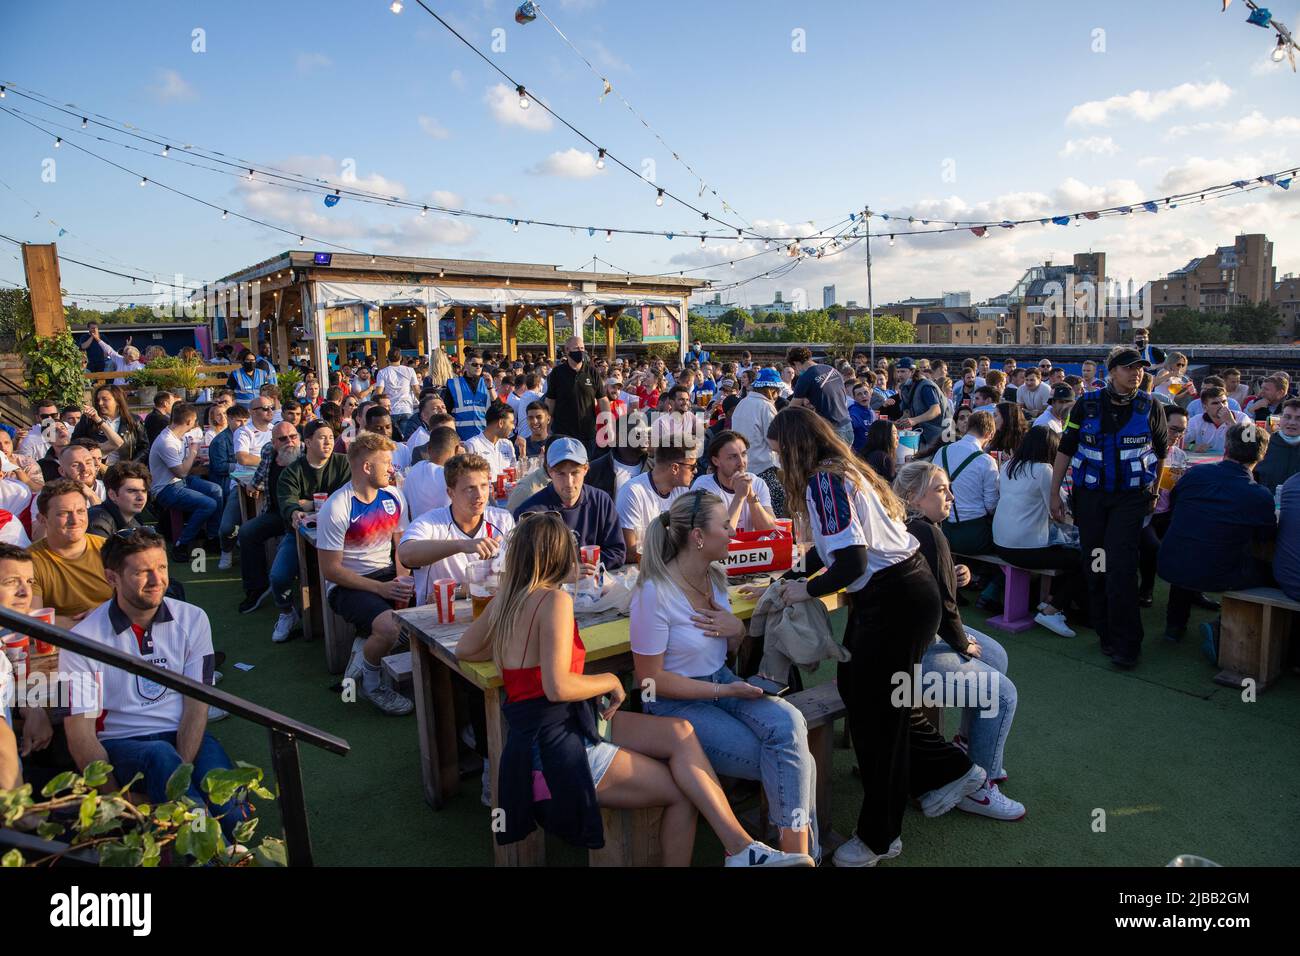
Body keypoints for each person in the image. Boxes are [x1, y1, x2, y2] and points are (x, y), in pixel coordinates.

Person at [454, 511, 805, 866]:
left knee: (680, 732)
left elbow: (465, 649)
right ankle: (740, 848)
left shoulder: (507, 600)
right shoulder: (554, 601)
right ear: (558, 555)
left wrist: (512, 648)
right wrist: (610, 681)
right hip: (557, 744)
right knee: (682, 791)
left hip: (554, 726)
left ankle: (741, 849)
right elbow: (557, 686)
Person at [766, 407, 984, 867]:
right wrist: (790, 576)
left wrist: (802, 590)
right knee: (865, 697)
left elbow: (852, 562)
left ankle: (880, 837)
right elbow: (836, 551)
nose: (778, 462)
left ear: (795, 448)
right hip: (901, 593)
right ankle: (950, 772)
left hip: (895, 600)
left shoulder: (825, 481)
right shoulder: (842, 470)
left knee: (878, 717)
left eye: (779, 452)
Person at [631, 490, 820, 863]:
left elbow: (724, 652)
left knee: (791, 723)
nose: (733, 531)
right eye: (725, 525)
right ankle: (798, 855)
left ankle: (793, 857)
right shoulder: (654, 593)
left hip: (721, 683)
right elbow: (648, 682)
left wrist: (737, 630)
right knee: (796, 761)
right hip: (674, 705)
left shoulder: (714, 578)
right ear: (698, 536)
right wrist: (723, 689)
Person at [62, 527, 248, 842]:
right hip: (122, 744)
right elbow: (80, 734)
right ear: (112, 578)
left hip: (183, 735)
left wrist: (180, 778)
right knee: (162, 758)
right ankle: (217, 854)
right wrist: (115, 800)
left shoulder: (193, 618)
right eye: (142, 572)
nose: (157, 579)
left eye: (161, 567)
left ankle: (220, 844)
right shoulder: (81, 640)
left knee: (231, 811)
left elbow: (197, 704)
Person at [891, 462, 1024, 820]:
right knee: (1002, 693)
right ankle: (979, 787)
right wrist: (962, 643)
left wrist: (953, 573)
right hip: (907, 653)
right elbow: (944, 605)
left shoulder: (912, 527)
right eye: (940, 489)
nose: (950, 495)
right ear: (912, 497)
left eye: (948, 488)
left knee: (996, 656)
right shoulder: (924, 530)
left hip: (914, 636)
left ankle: (968, 742)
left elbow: (927, 586)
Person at [1052, 346, 1168, 669]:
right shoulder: (1085, 405)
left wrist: (1154, 491)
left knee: (1122, 567)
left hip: (1130, 499)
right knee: (1096, 565)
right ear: (1112, 371)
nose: (1137, 373)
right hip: (1091, 499)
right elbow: (1065, 448)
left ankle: (1127, 644)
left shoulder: (1151, 406)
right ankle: (1105, 633)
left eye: (1140, 368)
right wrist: (1053, 493)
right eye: (1129, 367)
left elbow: (1161, 452)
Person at [317, 432, 415, 715]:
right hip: (347, 586)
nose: (392, 469)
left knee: (431, 609)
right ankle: (371, 685)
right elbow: (330, 570)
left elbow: (401, 546)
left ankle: (364, 650)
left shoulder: (394, 495)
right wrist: (382, 590)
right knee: (389, 627)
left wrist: (403, 579)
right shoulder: (337, 506)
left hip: (387, 576)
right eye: (386, 463)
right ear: (367, 467)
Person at [1158, 424, 1277, 644]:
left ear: (1227, 448)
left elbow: (1175, 504)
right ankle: (1226, 629)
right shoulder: (1259, 495)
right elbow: (1265, 537)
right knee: (1275, 573)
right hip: (1218, 573)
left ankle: (1174, 625)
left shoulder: (1195, 474)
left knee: (1192, 547)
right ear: (1262, 455)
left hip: (1172, 562)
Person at [991, 426, 1083, 636]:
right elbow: (1060, 510)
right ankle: (1052, 609)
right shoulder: (1044, 470)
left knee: (1070, 554)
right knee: (1084, 560)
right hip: (1024, 548)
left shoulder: (1008, 466)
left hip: (1001, 543)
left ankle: (1050, 600)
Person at [397, 452, 515, 605]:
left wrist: (460, 591)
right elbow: (405, 554)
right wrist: (462, 545)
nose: (479, 495)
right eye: (470, 488)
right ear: (450, 493)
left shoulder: (502, 519)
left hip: (491, 610)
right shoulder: (431, 522)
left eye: (484, 486)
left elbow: (514, 574)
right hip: (440, 614)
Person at [513, 437, 625, 571]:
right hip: (551, 583)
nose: (569, 482)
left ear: (586, 469)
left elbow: (617, 552)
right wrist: (564, 572)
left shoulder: (601, 501)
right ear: (550, 471)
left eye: (575, 472)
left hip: (594, 579)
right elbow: (523, 563)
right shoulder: (531, 512)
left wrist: (580, 566)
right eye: (561, 474)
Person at [29, 480, 112, 627]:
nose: (75, 520)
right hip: (65, 638)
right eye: (64, 513)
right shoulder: (28, 562)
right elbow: (33, 620)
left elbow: (135, 600)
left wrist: (103, 612)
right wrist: (90, 621)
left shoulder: (108, 549)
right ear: (42, 519)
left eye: (81, 511)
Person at [149, 403, 223, 562]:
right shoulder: (167, 442)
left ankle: (212, 537)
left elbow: (183, 469)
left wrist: (196, 460)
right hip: (166, 488)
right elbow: (181, 472)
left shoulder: (178, 436)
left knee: (216, 490)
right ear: (189, 422)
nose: (196, 424)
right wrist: (194, 452)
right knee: (208, 504)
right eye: (195, 420)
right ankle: (181, 544)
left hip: (181, 481)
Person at [615, 445, 697, 562]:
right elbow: (631, 551)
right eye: (692, 467)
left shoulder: (682, 489)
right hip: (642, 568)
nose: (695, 471)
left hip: (671, 563)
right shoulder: (632, 492)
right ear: (675, 468)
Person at [934, 410, 999, 556]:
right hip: (974, 536)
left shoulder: (941, 451)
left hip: (944, 532)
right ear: (990, 434)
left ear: (967, 428)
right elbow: (991, 506)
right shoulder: (986, 461)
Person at [689, 430, 775, 534]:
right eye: (732, 457)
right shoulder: (703, 487)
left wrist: (751, 497)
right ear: (716, 461)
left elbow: (771, 532)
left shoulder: (757, 483)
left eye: (743, 454)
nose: (741, 462)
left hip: (753, 545)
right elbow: (720, 536)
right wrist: (739, 497)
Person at [729, 367, 784, 516]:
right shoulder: (766, 406)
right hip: (764, 469)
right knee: (773, 515)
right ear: (772, 390)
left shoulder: (742, 403)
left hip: (744, 467)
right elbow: (775, 441)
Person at [786, 346, 852, 447]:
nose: (796, 372)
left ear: (796, 363)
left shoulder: (805, 378)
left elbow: (792, 408)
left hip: (832, 430)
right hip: (848, 425)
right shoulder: (831, 369)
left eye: (794, 368)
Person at [546, 336, 599, 454]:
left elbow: (602, 398)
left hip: (588, 434)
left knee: (587, 463)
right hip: (563, 434)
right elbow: (550, 400)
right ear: (567, 350)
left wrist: (607, 421)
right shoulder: (557, 373)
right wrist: (547, 425)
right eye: (576, 348)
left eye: (582, 348)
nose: (580, 351)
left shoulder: (592, 372)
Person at [73, 384, 146, 465]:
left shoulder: (134, 420)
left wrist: (131, 465)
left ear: (118, 401)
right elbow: (75, 443)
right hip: (98, 468)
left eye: (105, 399)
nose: (100, 403)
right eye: (98, 400)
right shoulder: (88, 419)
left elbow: (144, 448)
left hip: (125, 468)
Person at [404, 426, 462, 518]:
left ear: (428, 448)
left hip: (417, 524)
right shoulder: (454, 476)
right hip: (447, 526)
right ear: (457, 450)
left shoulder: (414, 470)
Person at [87, 460, 150, 538]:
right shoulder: (98, 522)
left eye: (144, 491)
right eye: (132, 491)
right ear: (112, 495)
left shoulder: (133, 522)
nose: (141, 497)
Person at [443, 349, 495, 441]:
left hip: (483, 437)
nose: (478, 367)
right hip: (461, 437)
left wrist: (491, 387)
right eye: (474, 364)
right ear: (466, 365)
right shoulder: (453, 384)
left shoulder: (487, 383)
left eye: (481, 365)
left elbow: (496, 408)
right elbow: (447, 413)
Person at [896, 358, 946, 453]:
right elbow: (907, 413)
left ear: (912, 372)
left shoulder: (925, 386)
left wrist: (914, 420)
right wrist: (899, 422)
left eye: (903, 371)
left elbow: (936, 410)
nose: (899, 375)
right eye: (898, 371)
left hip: (941, 434)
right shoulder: (904, 388)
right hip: (922, 434)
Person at [1182, 385, 1250, 454]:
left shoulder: (1243, 417)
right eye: (1215, 403)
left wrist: (1231, 422)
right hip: (1205, 459)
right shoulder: (1196, 420)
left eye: (1224, 401)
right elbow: (1178, 442)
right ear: (1205, 407)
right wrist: (1192, 446)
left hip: (1234, 459)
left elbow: (1251, 445)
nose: (1222, 406)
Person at [1255, 398, 1300, 495]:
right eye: (1287, 417)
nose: (1292, 422)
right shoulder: (1261, 445)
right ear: (1280, 419)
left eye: (1298, 418)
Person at [464, 402, 518, 480]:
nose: (513, 427)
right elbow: (468, 479)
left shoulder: (508, 444)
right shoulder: (473, 445)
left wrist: (523, 456)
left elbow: (514, 476)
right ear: (500, 423)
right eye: (512, 422)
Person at [375, 349, 420, 437]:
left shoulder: (382, 372)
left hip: (390, 410)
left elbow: (378, 393)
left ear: (388, 358)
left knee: (390, 439)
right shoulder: (410, 370)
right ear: (401, 358)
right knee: (406, 438)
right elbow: (416, 391)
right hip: (406, 409)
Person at [849, 382, 876, 454]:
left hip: (870, 451)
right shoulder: (853, 412)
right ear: (854, 398)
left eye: (865, 393)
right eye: (859, 394)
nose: (863, 396)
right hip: (859, 454)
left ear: (870, 394)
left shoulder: (871, 411)